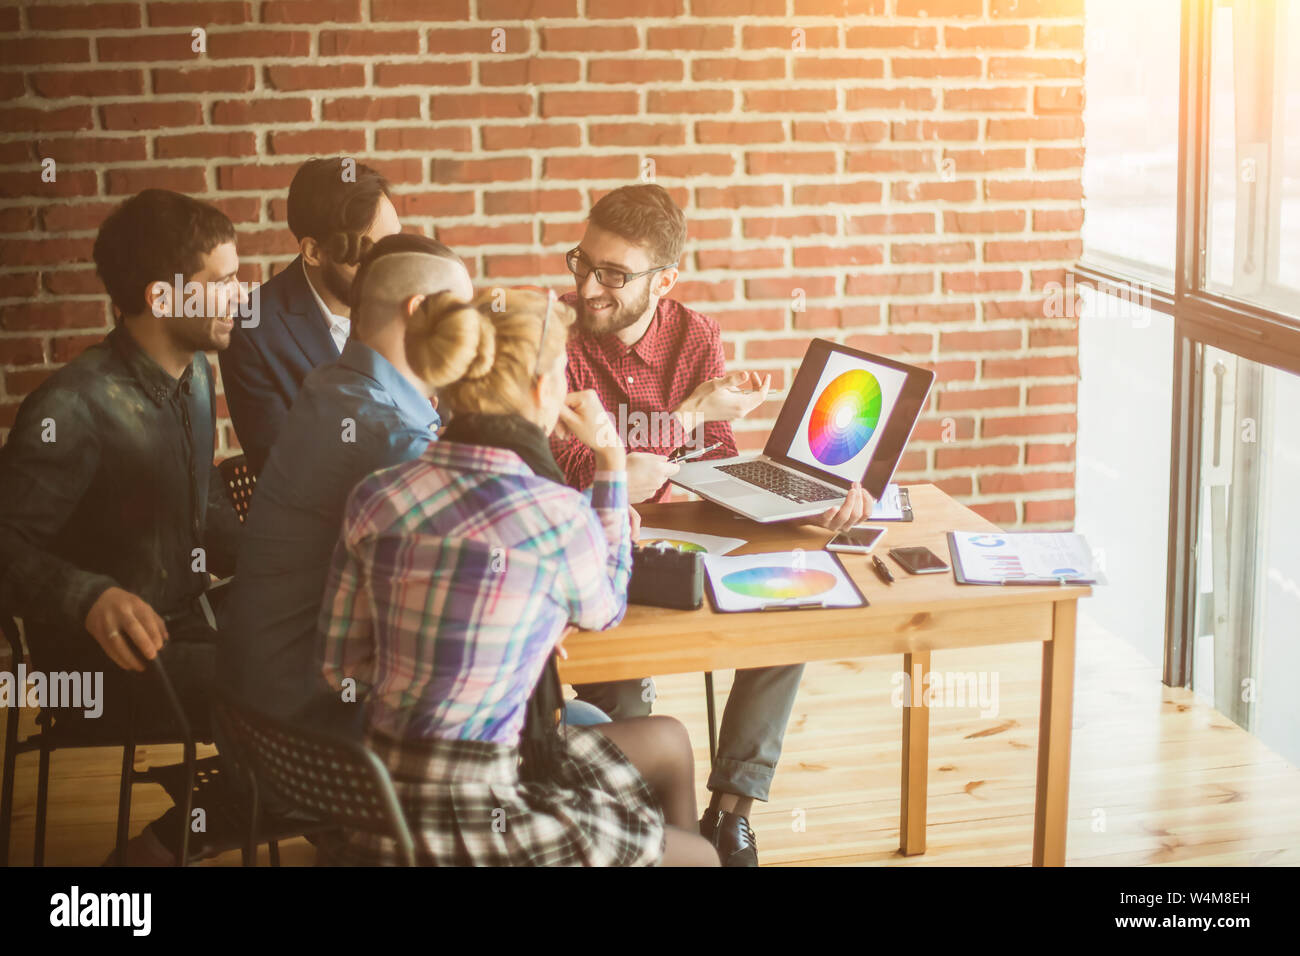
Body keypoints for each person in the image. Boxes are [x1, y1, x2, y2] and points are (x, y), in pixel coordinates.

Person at [319, 288, 717, 866]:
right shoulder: (556, 516)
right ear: (540, 391)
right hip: (482, 810)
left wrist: (475, 655)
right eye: (561, 372)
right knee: (701, 859)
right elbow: (604, 610)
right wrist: (610, 462)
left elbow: (341, 670)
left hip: (382, 794)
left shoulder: (378, 496)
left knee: (668, 741)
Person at [551, 183, 871, 866]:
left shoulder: (695, 336)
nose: (588, 286)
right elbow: (583, 472)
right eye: (582, 262)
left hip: (686, 538)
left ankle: (731, 811)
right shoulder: (561, 341)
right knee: (627, 681)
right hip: (598, 557)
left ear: (665, 280)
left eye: (613, 273)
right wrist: (689, 416)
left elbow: (712, 465)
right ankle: (643, 828)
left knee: (793, 608)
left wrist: (799, 497)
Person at [0, 189, 246, 866]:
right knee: (298, 694)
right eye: (221, 285)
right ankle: (157, 853)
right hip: (108, 674)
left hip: (188, 629)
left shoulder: (194, 375)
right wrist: (89, 596)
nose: (241, 299)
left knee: (340, 648)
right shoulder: (72, 407)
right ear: (162, 299)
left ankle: (208, 831)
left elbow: (203, 518)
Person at [217, 233, 472, 730]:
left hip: (256, 716)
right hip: (326, 739)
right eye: (459, 311)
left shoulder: (331, 385)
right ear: (418, 311)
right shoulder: (391, 436)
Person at [219, 157, 401, 473]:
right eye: (367, 254)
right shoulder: (253, 329)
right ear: (314, 252)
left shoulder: (406, 293)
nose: (390, 265)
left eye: (394, 242)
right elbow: (281, 467)